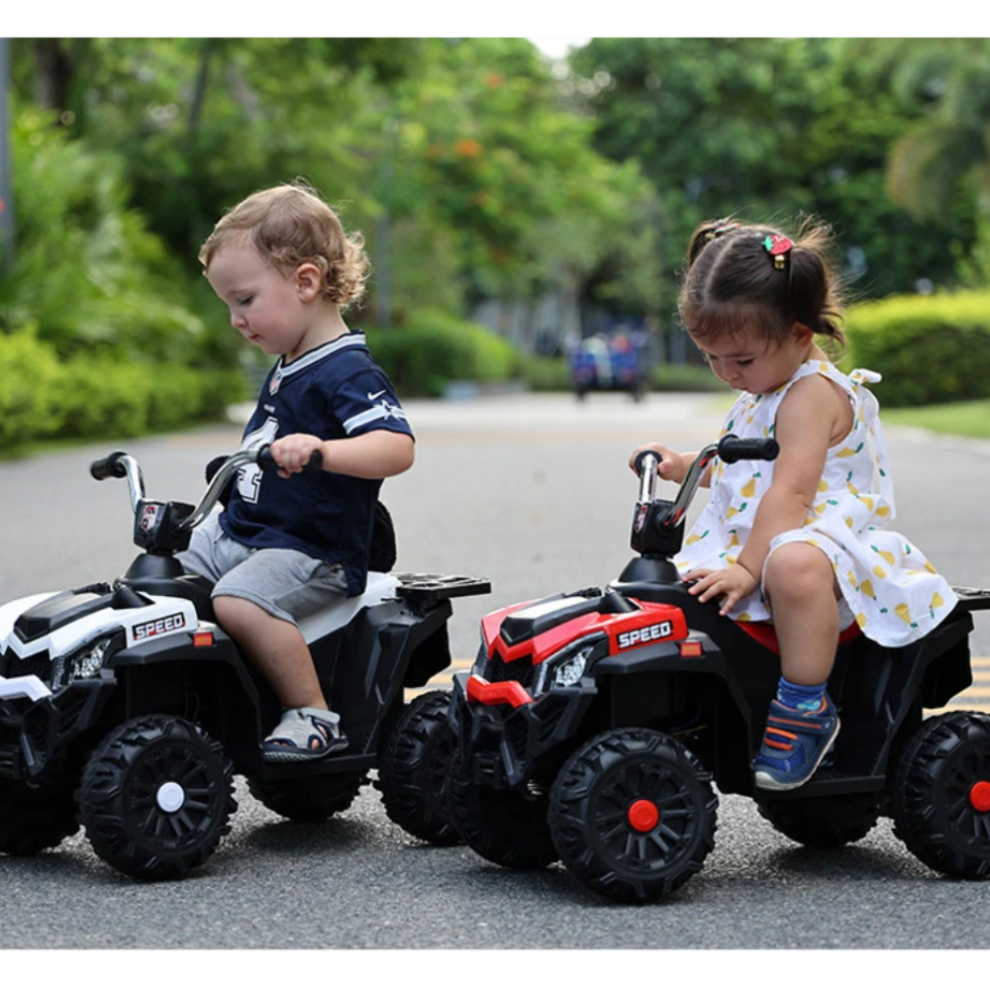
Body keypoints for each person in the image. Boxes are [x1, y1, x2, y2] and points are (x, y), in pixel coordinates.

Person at [630, 217, 957, 791]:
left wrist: (747, 568)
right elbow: (744, 471)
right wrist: (684, 464)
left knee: (791, 564)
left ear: (801, 334)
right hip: (768, 532)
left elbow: (791, 492)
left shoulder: (809, 394)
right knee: (676, 591)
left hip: (827, 541)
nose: (729, 373)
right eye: (713, 359)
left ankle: (805, 707)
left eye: (743, 359)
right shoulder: (763, 389)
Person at [179, 182, 415, 763]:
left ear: (305, 282)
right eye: (229, 306)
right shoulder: (291, 361)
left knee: (236, 602)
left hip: (314, 548)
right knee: (160, 578)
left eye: (245, 300)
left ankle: (313, 715)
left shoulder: (346, 369)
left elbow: (396, 447)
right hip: (248, 534)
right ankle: (188, 703)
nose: (236, 320)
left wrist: (323, 450)